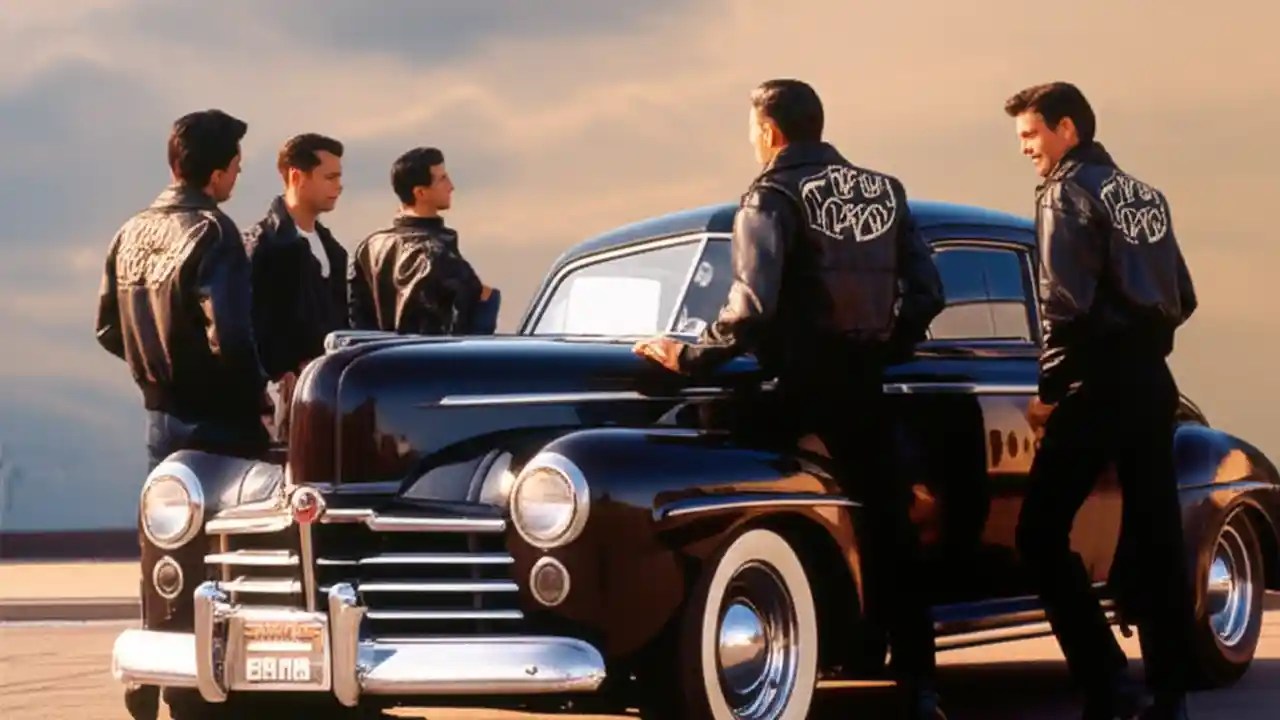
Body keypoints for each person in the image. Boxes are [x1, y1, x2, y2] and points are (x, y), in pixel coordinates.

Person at [634, 78, 947, 719]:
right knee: (890, 531)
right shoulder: (883, 191)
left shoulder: (769, 194)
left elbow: (750, 308)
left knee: (731, 494)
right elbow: (928, 294)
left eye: (752, 129)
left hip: (793, 389)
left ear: (770, 132)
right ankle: (919, 687)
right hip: (866, 386)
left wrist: (688, 356)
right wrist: (885, 347)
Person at [1004, 81, 1198, 720]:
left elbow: (1063, 305)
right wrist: (1147, 339)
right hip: (1151, 383)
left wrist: (1049, 395)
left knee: (1038, 533)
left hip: (1093, 386)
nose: (1027, 150)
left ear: (1067, 128)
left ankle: (1104, 680)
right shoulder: (1146, 195)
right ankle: (1169, 694)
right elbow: (1185, 296)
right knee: (1158, 532)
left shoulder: (1064, 193)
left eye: (1031, 136)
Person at [94, 109, 268, 720]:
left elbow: (108, 330)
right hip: (219, 422)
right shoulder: (214, 233)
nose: (238, 179)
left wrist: (153, 368)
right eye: (237, 169)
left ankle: (150, 672)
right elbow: (234, 338)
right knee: (231, 558)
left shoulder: (130, 231)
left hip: (158, 419)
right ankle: (211, 688)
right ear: (216, 173)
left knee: (163, 550)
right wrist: (259, 401)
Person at [243, 133, 349, 440]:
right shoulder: (263, 246)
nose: (338, 186)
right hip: (283, 405)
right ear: (296, 176)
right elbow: (248, 326)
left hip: (328, 399)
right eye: (330, 177)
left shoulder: (333, 250)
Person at [348, 146, 499, 335]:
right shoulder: (435, 252)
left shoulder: (369, 246)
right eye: (442, 179)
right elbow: (463, 332)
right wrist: (489, 300)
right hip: (431, 362)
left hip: (379, 361)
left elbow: (357, 325)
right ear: (420, 193)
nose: (451, 186)